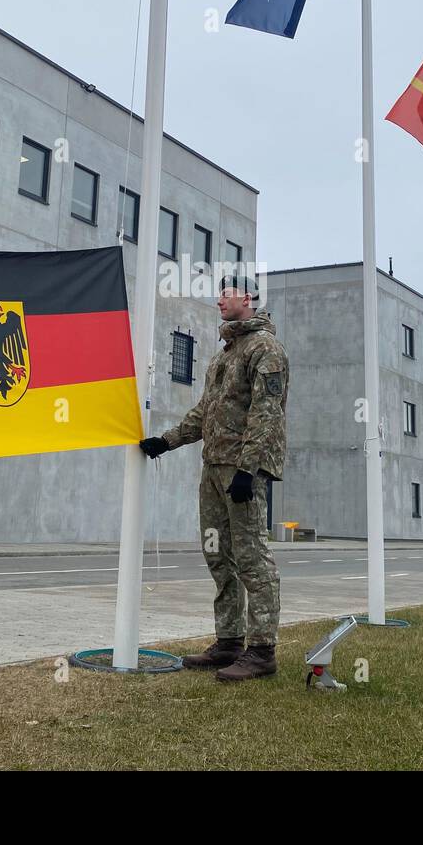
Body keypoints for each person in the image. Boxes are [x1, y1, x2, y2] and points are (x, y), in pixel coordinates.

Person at [139, 274, 287, 682]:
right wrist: (166, 442)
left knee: (252, 557)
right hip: (214, 467)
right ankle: (229, 642)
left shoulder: (265, 349)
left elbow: (267, 414)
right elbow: (206, 411)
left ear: (248, 298)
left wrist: (249, 467)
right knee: (219, 556)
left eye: (226, 294)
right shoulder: (225, 353)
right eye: (218, 294)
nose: (219, 300)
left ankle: (261, 650)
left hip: (242, 471)